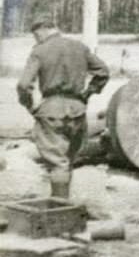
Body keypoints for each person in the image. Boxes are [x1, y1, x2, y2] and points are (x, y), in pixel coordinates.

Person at [15, 12, 109, 199]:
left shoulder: (40, 51)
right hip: (77, 110)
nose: (37, 39)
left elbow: (23, 85)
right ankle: (64, 205)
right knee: (69, 161)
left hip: (51, 110)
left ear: (43, 30)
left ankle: (59, 210)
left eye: (36, 35)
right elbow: (103, 72)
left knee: (57, 164)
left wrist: (30, 106)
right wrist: (88, 94)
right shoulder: (79, 47)